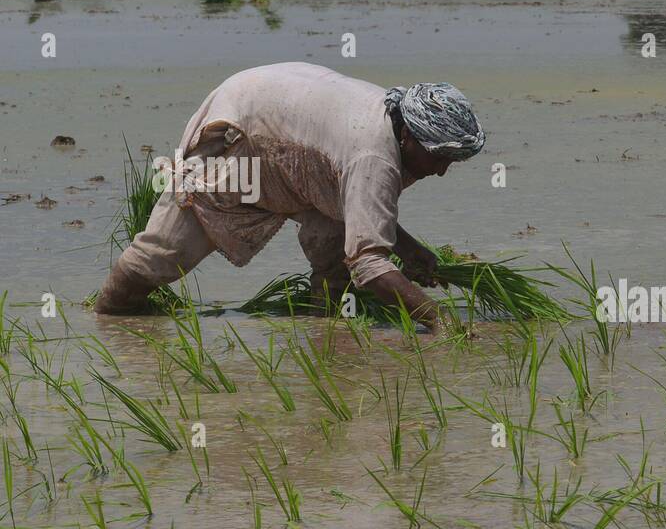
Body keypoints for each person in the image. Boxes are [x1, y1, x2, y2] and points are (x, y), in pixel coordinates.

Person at [94, 62, 486, 329]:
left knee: (335, 254)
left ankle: (328, 336)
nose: (441, 170)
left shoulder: (391, 123)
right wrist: (439, 320)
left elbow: (359, 207)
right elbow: (369, 266)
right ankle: (109, 322)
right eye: (439, 157)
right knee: (164, 254)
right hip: (242, 132)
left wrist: (409, 249)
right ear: (410, 136)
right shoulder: (375, 155)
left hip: (289, 130)